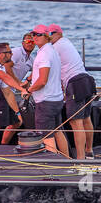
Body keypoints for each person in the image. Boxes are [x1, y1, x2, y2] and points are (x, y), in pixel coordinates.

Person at [49, 25, 96, 160]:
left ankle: (80, 158)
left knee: (76, 123)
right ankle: (89, 151)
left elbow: (50, 70)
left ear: (59, 34)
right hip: (86, 80)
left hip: (75, 83)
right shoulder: (66, 42)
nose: (49, 36)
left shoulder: (55, 47)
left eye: (51, 33)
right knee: (86, 118)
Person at [27, 26, 69, 155]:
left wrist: (29, 90)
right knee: (57, 131)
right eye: (33, 34)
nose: (35, 37)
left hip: (46, 102)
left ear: (47, 36)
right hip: (56, 99)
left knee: (47, 136)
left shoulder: (44, 54)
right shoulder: (51, 50)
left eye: (38, 35)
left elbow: (42, 81)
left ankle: (54, 169)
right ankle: (67, 161)